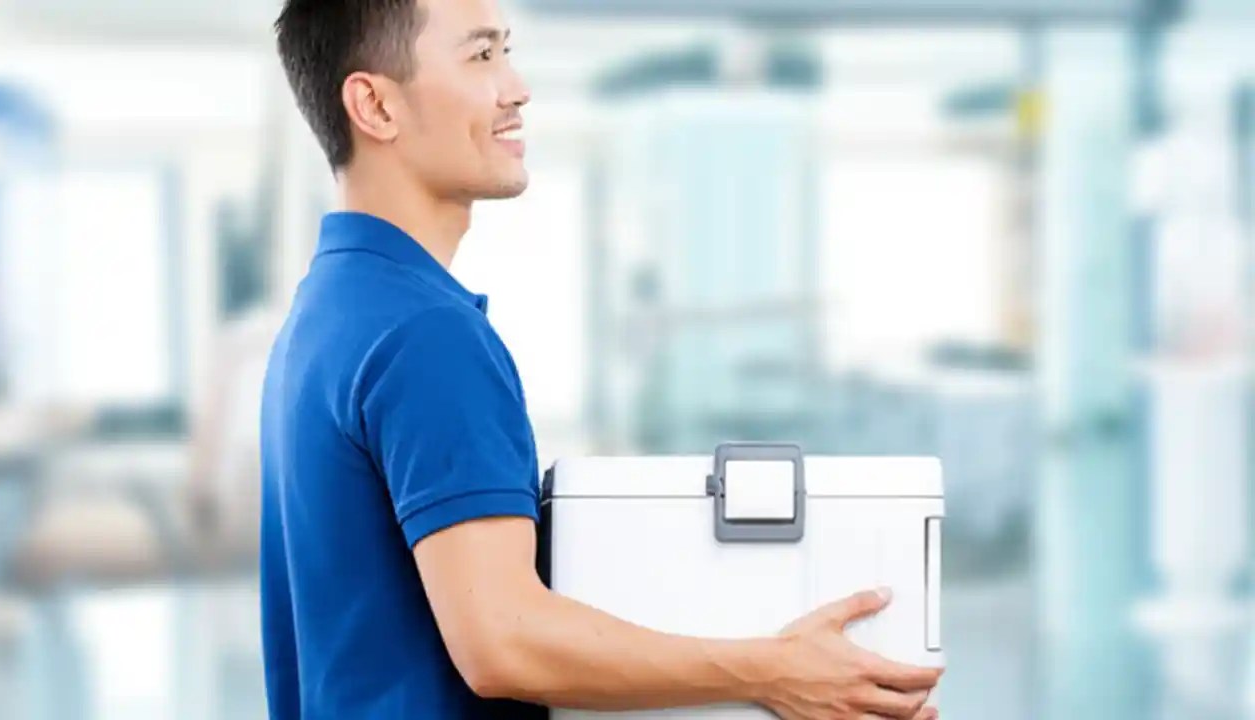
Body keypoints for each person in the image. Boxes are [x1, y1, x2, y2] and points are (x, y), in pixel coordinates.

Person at [261, 0, 945, 718]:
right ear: (374, 104)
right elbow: (504, 641)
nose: (517, 87)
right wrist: (770, 669)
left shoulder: (327, 312)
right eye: (482, 56)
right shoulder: (424, 334)